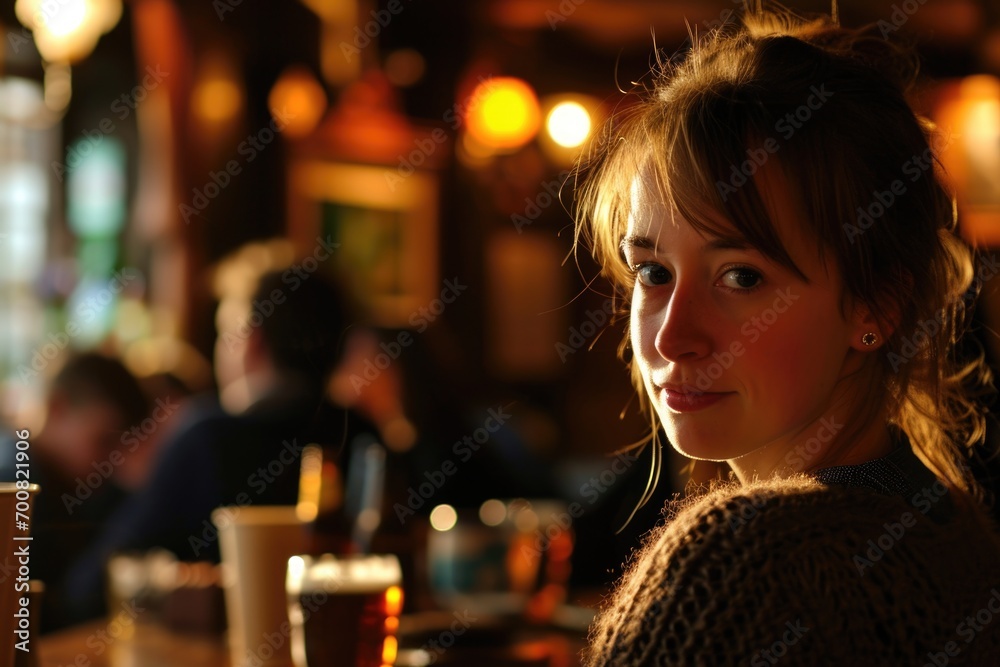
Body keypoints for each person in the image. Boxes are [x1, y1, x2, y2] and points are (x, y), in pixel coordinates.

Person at [574, 7, 1000, 664]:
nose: (671, 337)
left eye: (741, 276)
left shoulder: (745, 563)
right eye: (653, 271)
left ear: (876, 307)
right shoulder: (953, 528)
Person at [63, 267, 379, 624]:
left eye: (224, 333)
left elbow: (88, 588)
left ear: (252, 341)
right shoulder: (366, 435)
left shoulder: (208, 439)